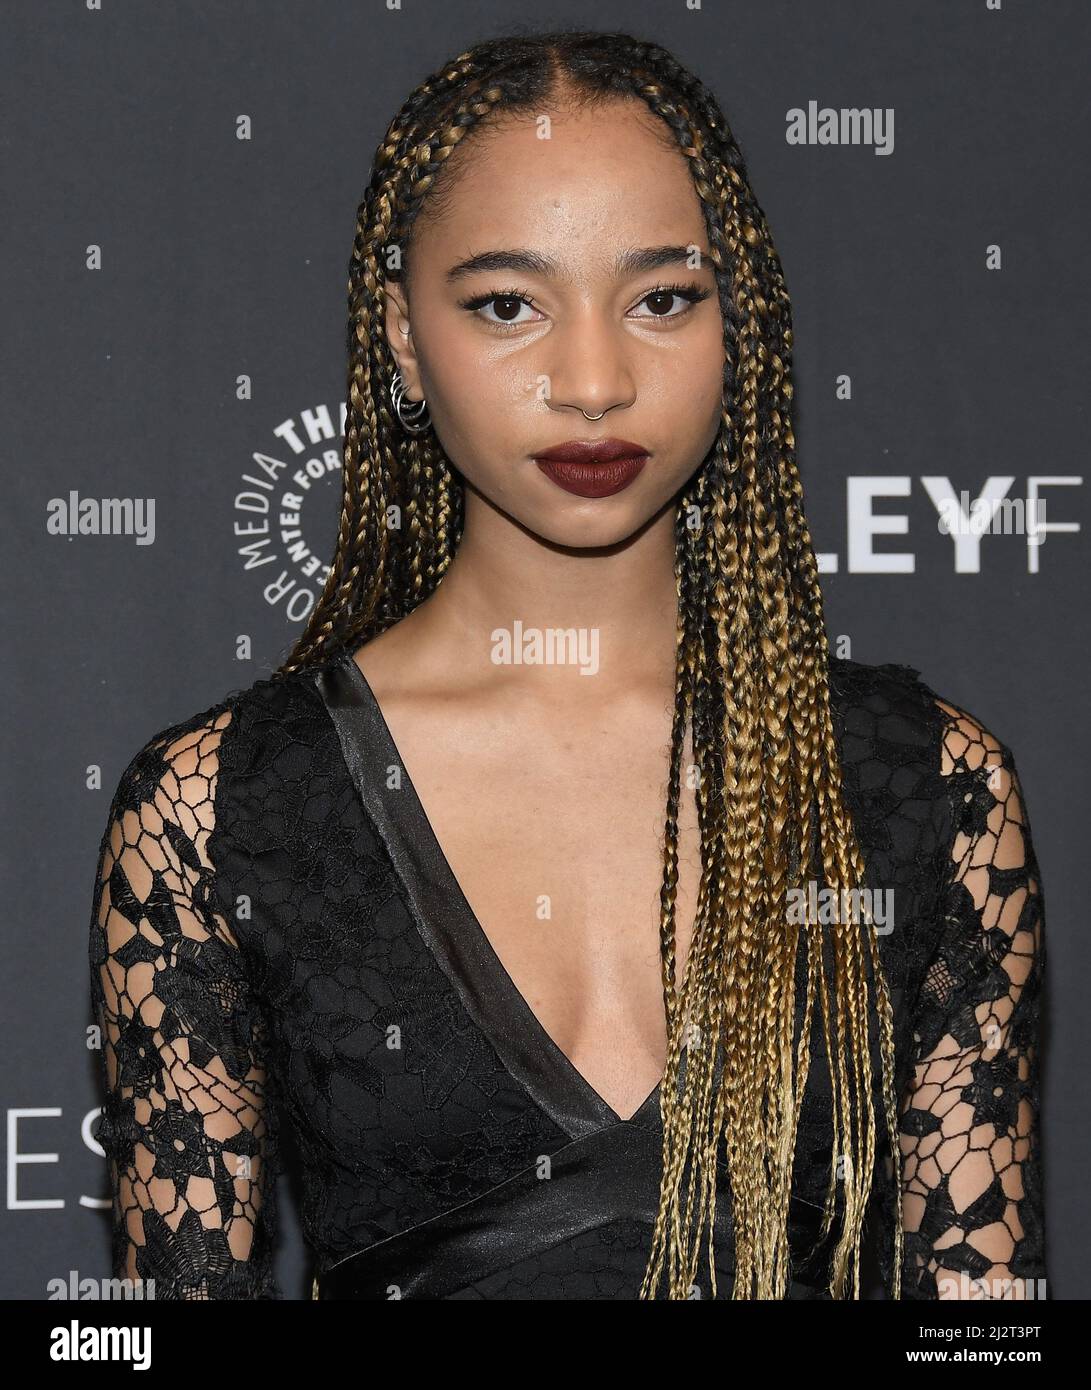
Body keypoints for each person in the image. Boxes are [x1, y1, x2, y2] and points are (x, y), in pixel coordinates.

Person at [87, 28, 1047, 1300]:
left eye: (662, 297)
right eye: (505, 304)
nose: (593, 381)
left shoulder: (928, 786)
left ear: (735, 322)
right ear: (402, 338)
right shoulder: (216, 813)